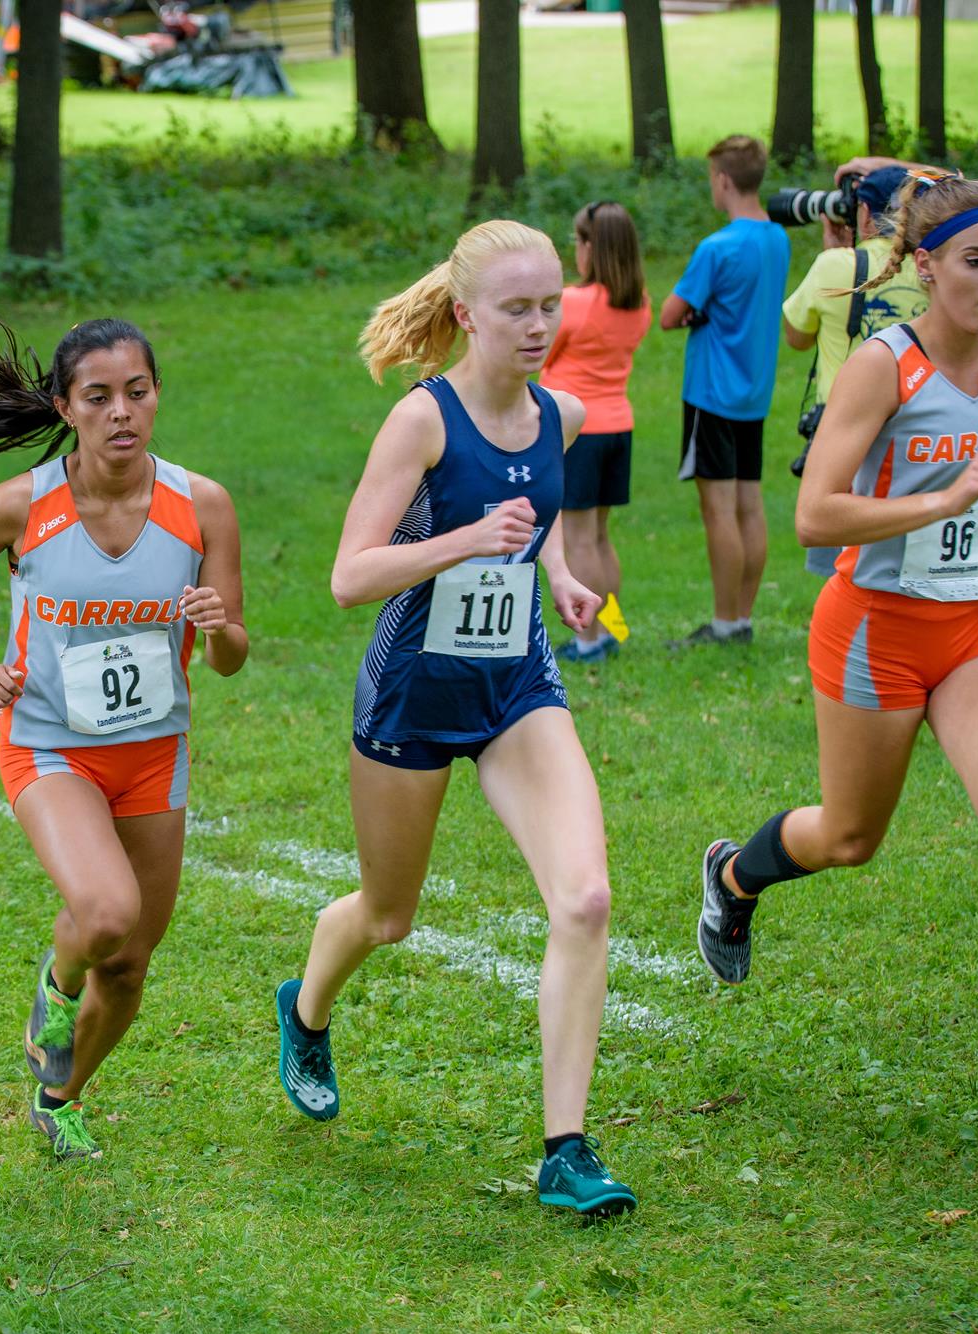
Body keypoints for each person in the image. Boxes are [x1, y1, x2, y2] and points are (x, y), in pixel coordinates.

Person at [694, 174, 978, 1130]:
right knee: (851, 837)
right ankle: (733, 876)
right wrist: (943, 497)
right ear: (925, 266)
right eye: (976, 261)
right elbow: (816, 513)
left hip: (977, 624)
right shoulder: (884, 368)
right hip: (874, 630)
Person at [272, 221, 636, 1218]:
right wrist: (465, 539)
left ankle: (565, 1150)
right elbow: (350, 575)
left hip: (515, 685)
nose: (538, 324)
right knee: (387, 915)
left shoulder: (560, 414)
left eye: (549, 304)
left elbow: (535, 508)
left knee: (585, 899)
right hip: (414, 691)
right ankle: (306, 1009)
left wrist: (558, 571)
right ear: (468, 314)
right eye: (516, 309)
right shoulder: (421, 423)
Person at [0, 319, 250, 1161]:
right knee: (103, 914)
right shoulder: (24, 506)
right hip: (49, 744)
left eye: (137, 392)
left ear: (157, 395)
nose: (121, 413)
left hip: (154, 754)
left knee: (129, 962)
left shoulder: (202, 506)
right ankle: (55, 990)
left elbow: (232, 655)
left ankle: (58, 1096)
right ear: (66, 408)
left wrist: (219, 627)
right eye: (97, 398)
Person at [659, 135, 791, 648]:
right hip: (754, 391)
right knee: (749, 506)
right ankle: (742, 618)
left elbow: (670, 314)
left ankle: (723, 622)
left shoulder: (716, 247)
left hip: (712, 392)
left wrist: (697, 311)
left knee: (718, 510)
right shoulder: (778, 238)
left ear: (723, 180)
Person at [782, 164, 930, 577]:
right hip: (918, 424)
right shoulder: (932, 266)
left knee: (841, 567)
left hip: (843, 430)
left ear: (864, 214)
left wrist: (835, 254)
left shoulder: (836, 266)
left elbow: (797, 337)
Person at [540, 200, 651, 665]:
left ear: (592, 247)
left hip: (578, 430)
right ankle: (612, 630)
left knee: (579, 539)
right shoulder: (638, 301)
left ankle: (588, 641)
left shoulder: (576, 302)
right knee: (601, 537)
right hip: (617, 427)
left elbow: (543, 353)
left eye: (577, 241)